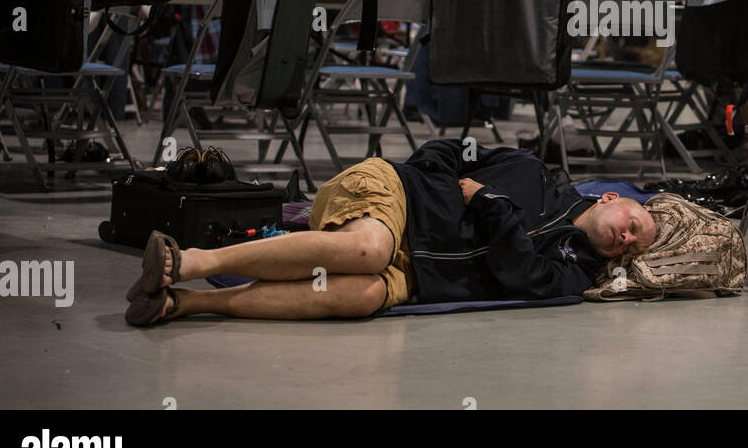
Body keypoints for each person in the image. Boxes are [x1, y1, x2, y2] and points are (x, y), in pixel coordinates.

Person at [125, 140, 658, 326]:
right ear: (610, 197)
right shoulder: (530, 170)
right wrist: (433, 189)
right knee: (366, 248)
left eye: (635, 243)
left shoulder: (576, 274)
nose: (628, 239)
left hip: (413, 276)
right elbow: (450, 149)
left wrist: (490, 206)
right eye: (633, 224)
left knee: (364, 293)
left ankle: (184, 306)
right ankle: (193, 260)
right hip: (391, 196)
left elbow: (522, 275)